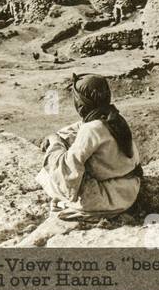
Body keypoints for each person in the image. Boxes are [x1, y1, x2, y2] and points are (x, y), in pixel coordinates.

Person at [36, 74, 142, 219]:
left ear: (81, 103)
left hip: (109, 198)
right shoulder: (113, 117)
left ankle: (72, 205)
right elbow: (80, 127)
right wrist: (57, 135)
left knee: (47, 174)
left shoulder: (91, 129)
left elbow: (68, 169)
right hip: (129, 190)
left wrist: (55, 142)